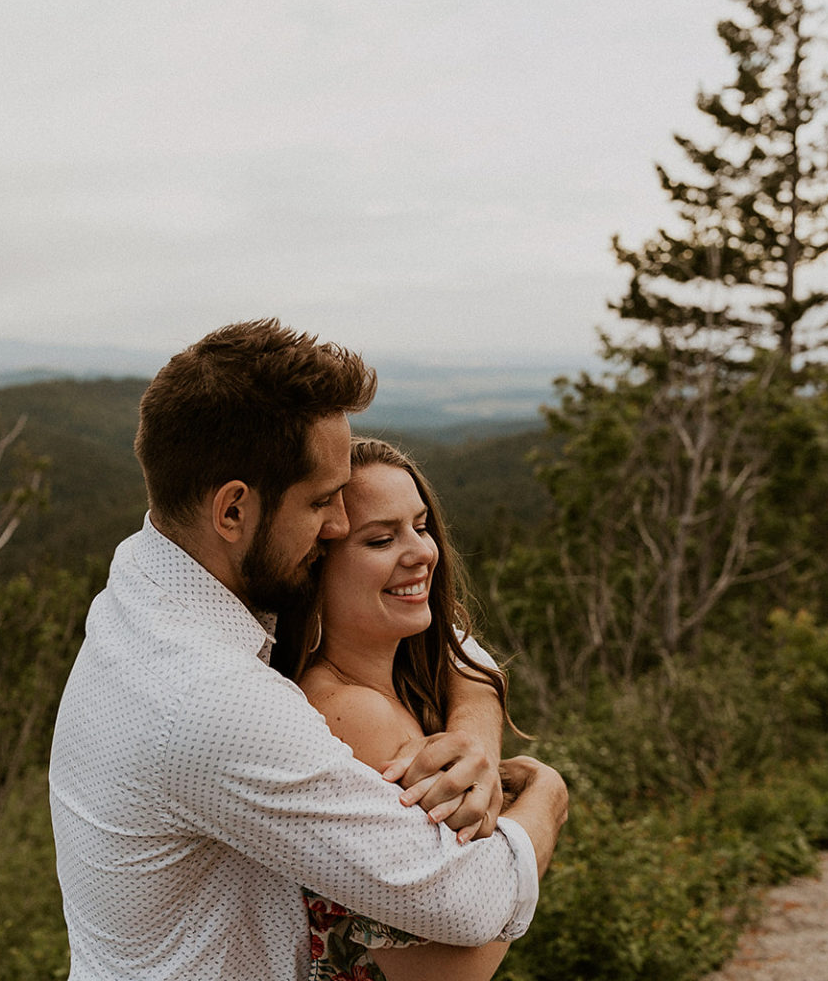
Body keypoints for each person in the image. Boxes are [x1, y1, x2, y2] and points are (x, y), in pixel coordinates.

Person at [48, 319, 569, 981]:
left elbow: (451, 639)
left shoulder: (163, 574)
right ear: (232, 511)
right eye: (323, 502)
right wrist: (547, 794)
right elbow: (471, 902)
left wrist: (474, 739)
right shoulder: (211, 699)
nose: (338, 525)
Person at [274, 436, 537, 981]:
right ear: (315, 566)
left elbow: (465, 654)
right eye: (380, 540)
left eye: (420, 525)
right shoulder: (352, 715)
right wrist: (547, 802)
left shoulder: (400, 669)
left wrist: (476, 727)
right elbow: (445, 973)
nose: (422, 552)